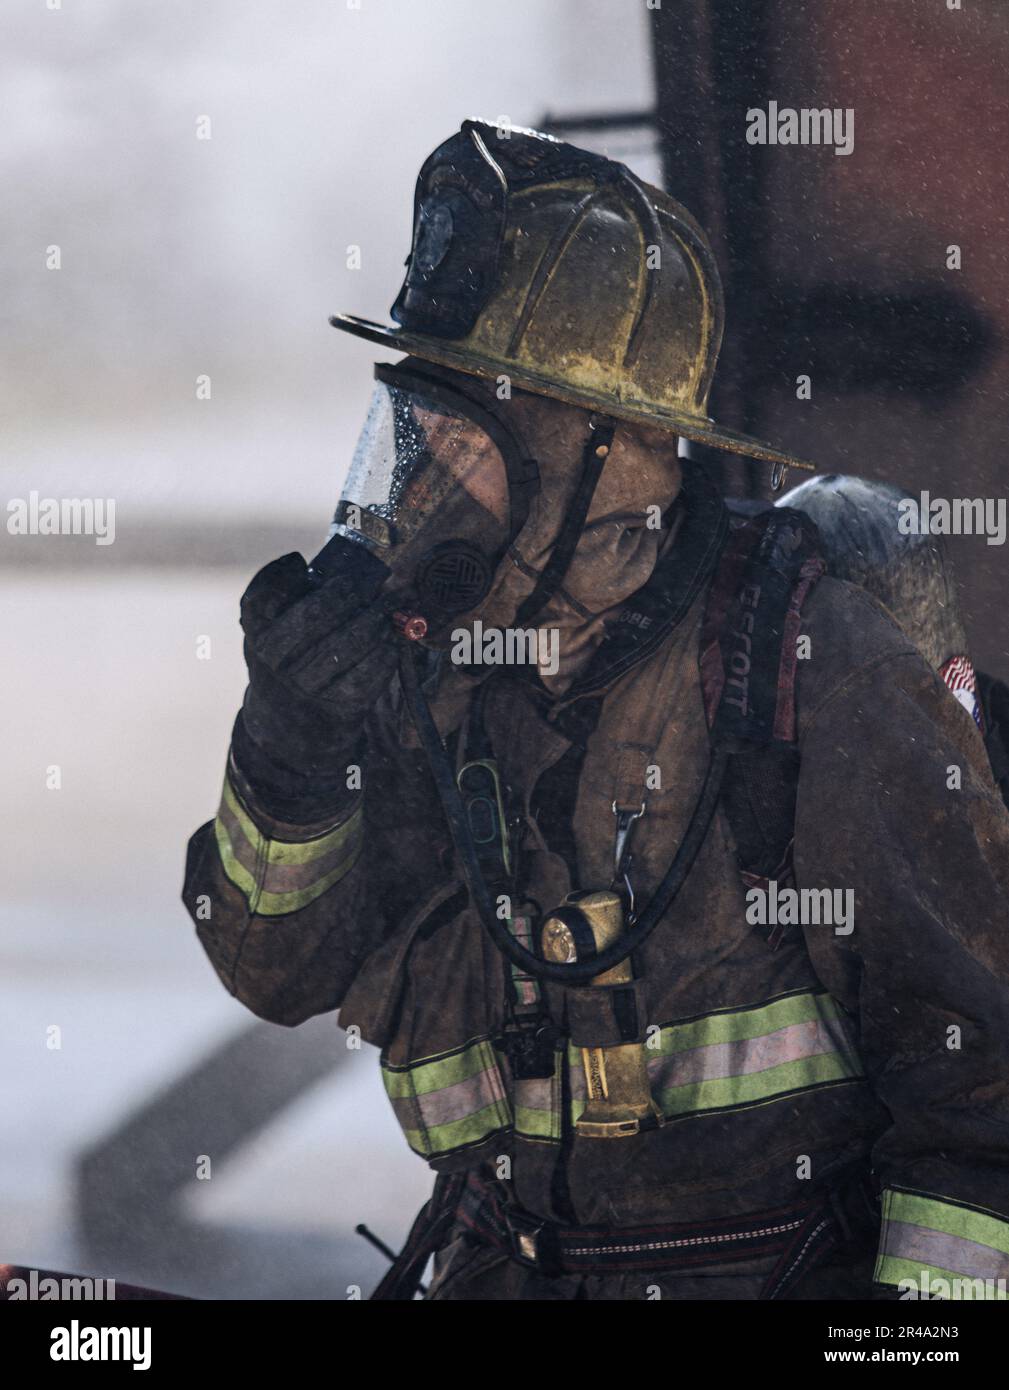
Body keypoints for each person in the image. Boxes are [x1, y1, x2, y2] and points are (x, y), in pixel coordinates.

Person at [183, 120, 1009, 1300]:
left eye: (464, 442)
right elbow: (274, 971)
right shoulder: (423, 681)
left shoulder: (815, 671)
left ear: (608, 460)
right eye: (412, 431)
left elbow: (984, 1109)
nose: (417, 487)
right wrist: (290, 754)